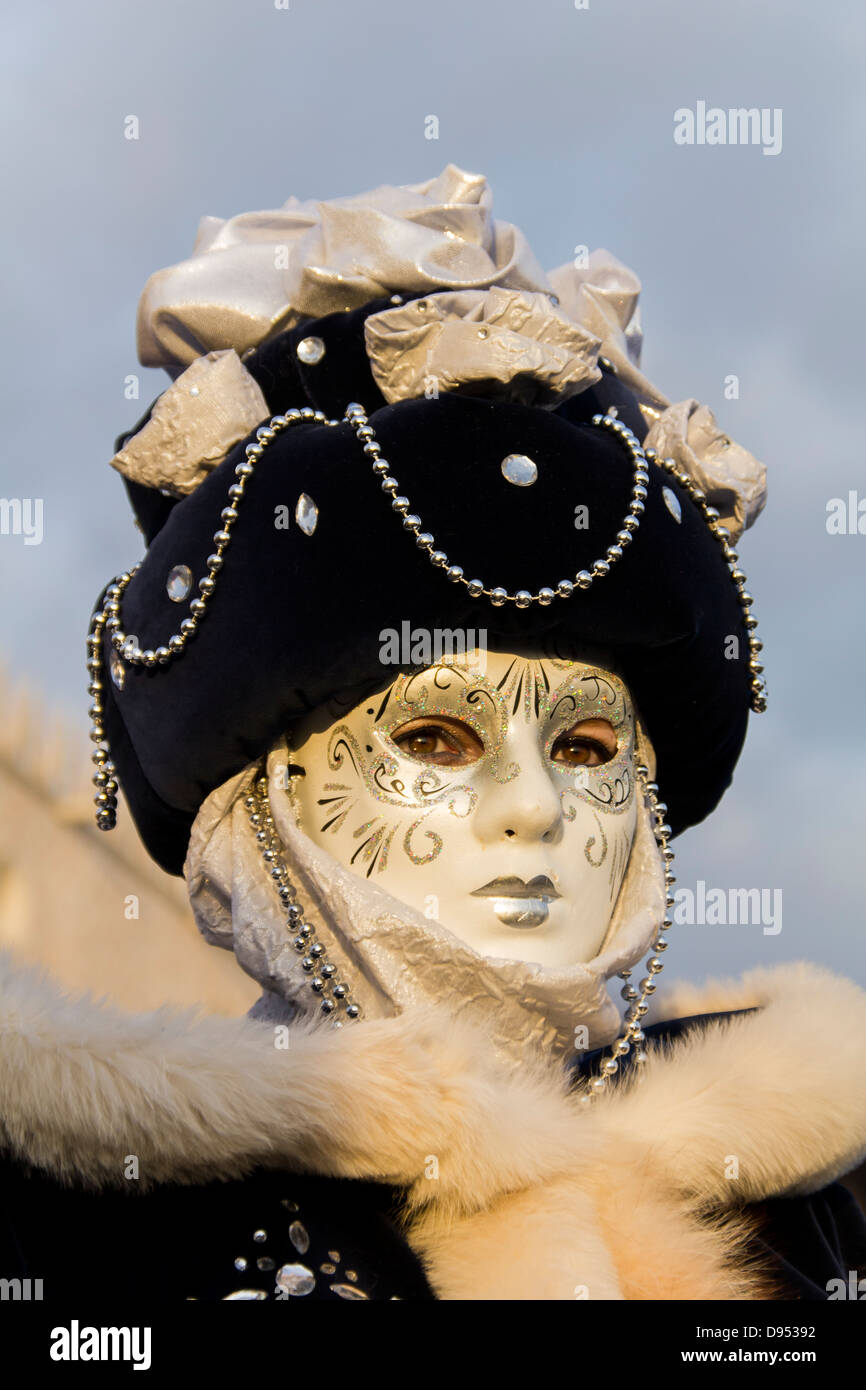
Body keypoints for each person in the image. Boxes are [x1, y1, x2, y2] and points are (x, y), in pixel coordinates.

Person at [1, 166, 865, 1301]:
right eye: (439, 740)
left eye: (588, 750)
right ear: (264, 813)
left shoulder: (795, 1200)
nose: (534, 808)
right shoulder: (95, 1239)